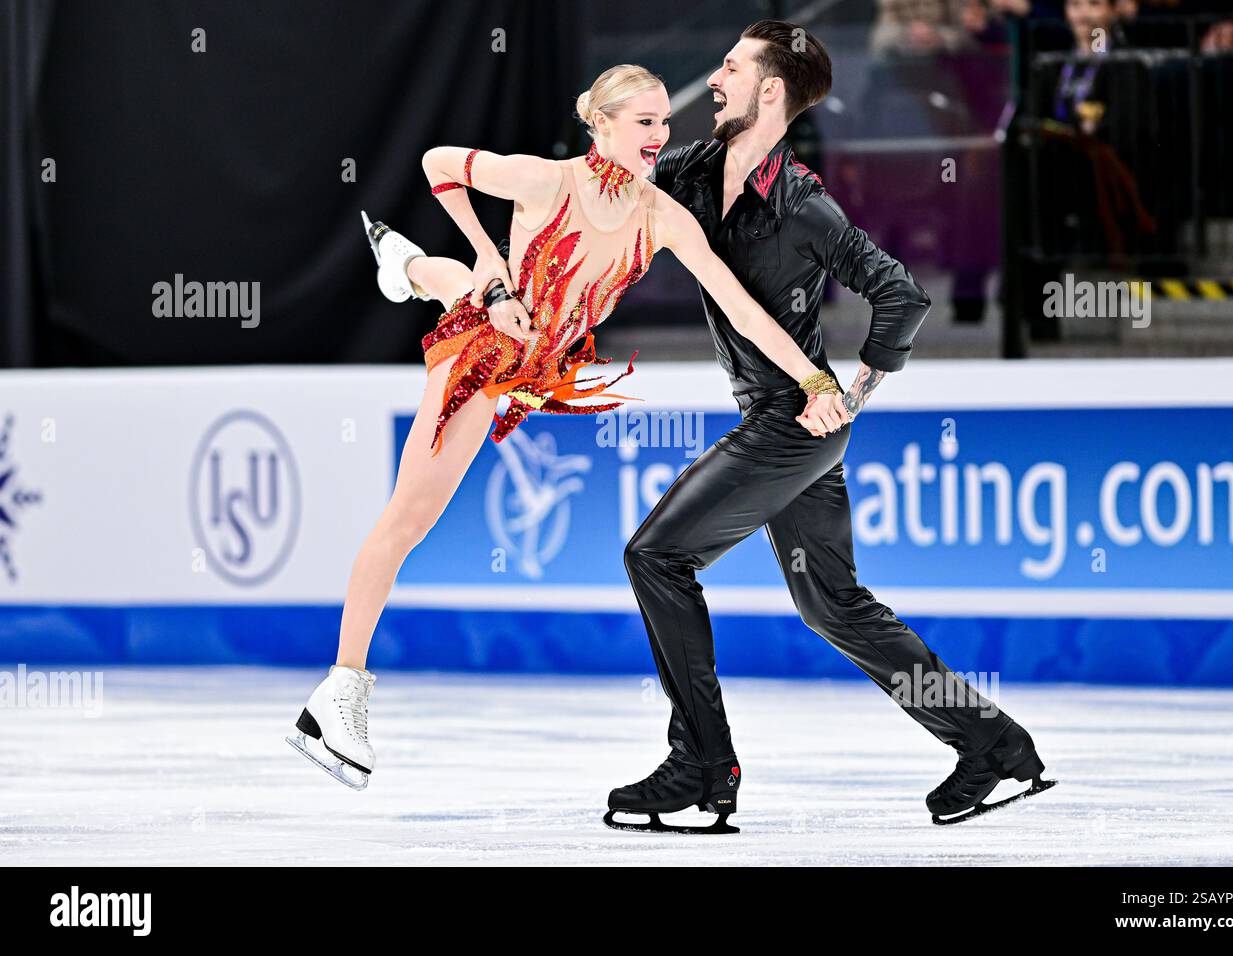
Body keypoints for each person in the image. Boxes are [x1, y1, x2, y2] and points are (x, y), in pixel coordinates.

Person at [285, 64, 851, 790]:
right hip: (486, 356)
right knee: (409, 519)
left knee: (455, 288)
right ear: (603, 124)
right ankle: (338, 694)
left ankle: (408, 266)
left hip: (544, 363)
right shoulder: (545, 181)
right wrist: (490, 266)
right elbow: (437, 165)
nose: (660, 134)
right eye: (644, 122)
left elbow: (739, 307)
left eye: (663, 122)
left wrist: (810, 377)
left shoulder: (661, 216)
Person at [602, 20, 1053, 833]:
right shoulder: (693, 173)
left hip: (791, 424)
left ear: (769, 91)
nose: (715, 78)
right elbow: (608, 191)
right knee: (834, 606)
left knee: (657, 556)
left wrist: (855, 392)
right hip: (785, 428)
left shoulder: (804, 204)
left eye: (731, 66)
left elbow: (901, 295)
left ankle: (702, 761)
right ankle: (993, 744)